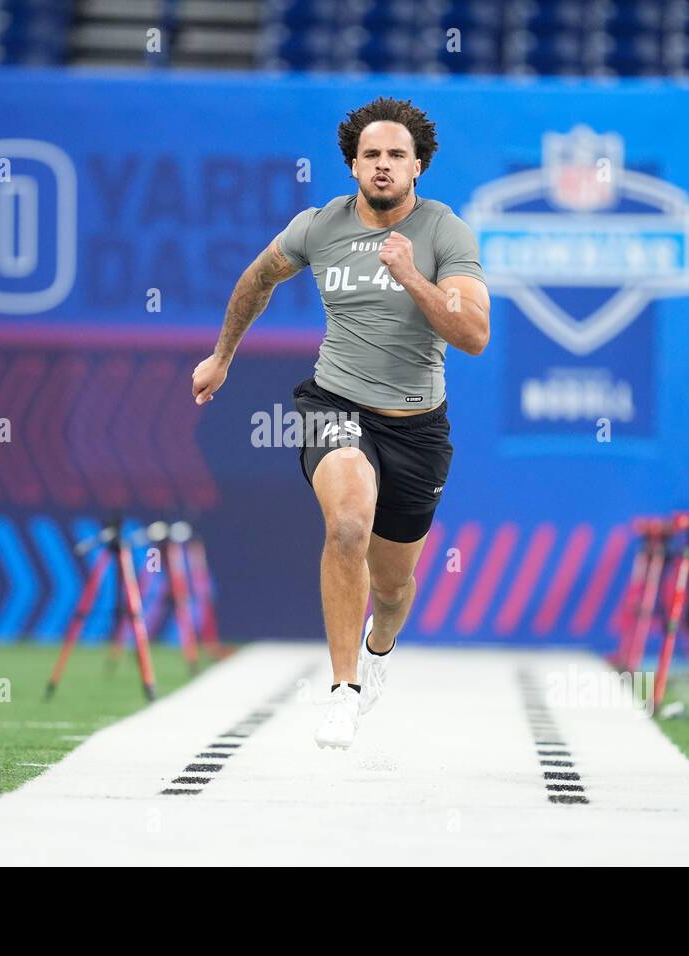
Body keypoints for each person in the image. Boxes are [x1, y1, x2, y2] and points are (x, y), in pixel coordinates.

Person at [191, 97, 490, 748]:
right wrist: (222, 356)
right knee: (348, 522)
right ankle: (342, 690)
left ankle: (379, 649)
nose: (383, 166)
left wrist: (412, 276)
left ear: (419, 168)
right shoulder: (319, 226)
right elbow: (257, 278)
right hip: (334, 404)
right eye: (372, 155)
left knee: (392, 587)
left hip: (417, 427)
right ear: (353, 165)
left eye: (396, 157)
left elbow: (473, 335)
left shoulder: (446, 235)